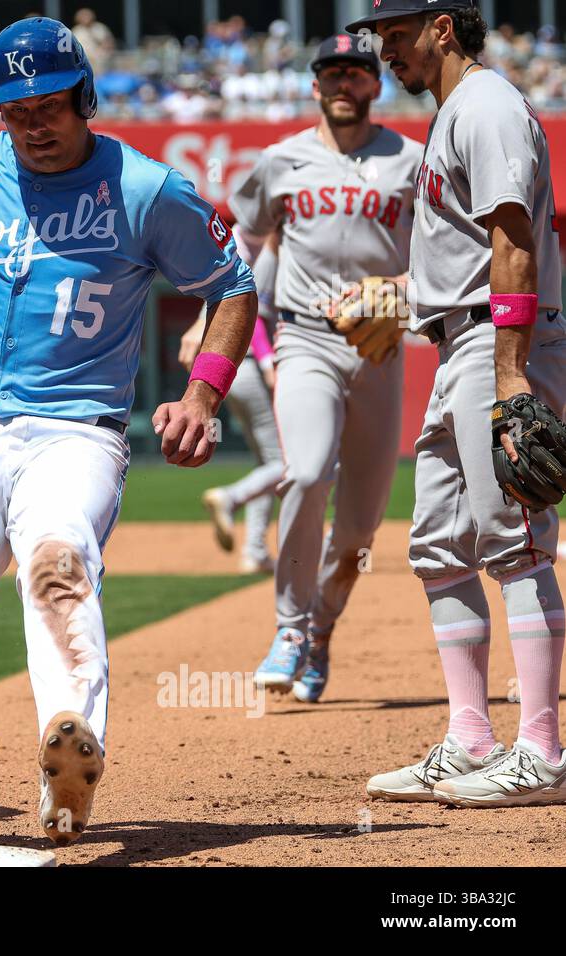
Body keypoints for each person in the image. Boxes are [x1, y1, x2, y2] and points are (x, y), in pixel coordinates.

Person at [0, 17, 256, 846]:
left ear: (85, 96)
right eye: (15, 110)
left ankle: (69, 741)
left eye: (50, 104)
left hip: (76, 431)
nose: (33, 124)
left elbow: (232, 285)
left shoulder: (147, 188)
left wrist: (203, 393)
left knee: (57, 561)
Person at [348, 0, 566, 806]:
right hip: (454, 344)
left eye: (397, 34)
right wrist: (398, 301)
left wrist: (510, 378)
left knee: (514, 541)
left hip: (496, 347)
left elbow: (512, 243)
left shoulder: (487, 106)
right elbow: (468, 258)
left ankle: (541, 751)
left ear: (444, 27)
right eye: (380, 36)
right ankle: (472, 738)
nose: (387, 51)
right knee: (440, 546)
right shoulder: (452, 114)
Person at [227, 33, 422, 703]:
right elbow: (245, 241)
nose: (345, 83)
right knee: (306, 472)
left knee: (361, 528)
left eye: (358, 73)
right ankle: (288, 626)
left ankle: (320, 631)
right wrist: (214, 320)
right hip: (304, 338)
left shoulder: (412, 162)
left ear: (376, 85)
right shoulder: (282, 161)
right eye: (333, 72)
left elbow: (446, 251)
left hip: (379, 349)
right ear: (315, 85)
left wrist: (400, 285)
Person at [182, 238, 284, 575]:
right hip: (249, 367)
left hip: (235, 371)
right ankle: (230, 497)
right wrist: (269, 363)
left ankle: (254, 550)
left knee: (266, 463)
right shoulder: (263, 252)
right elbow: (251, 315)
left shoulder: (258, 250)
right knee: (286, 463)